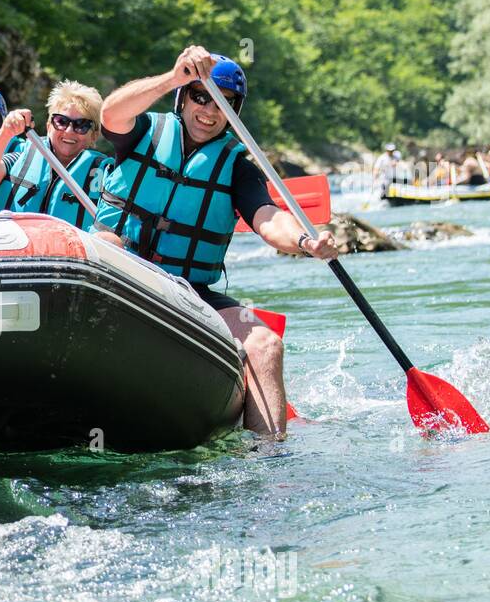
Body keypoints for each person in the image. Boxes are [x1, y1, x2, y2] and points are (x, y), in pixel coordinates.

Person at [90, 46, 338, 438]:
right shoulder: (143, 134)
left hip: (191, 290)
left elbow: (268, 217)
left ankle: (270, 456)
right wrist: (175, 76)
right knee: (107, 240)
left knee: (266, 345)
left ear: (233, 112)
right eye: (199, 96)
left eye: (222, 103)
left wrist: (305, 241)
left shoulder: (238, 167)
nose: (208, 110)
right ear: (183, 98)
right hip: (125, 272)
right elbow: (110, 113)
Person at [0, 79, 113, 230]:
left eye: (82, 125)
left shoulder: (107, 176)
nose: (69, 131)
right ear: (49, 126)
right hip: (13, 250)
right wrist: (5, 133)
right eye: (61, 121)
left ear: (95, 135)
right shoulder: (19, 156)